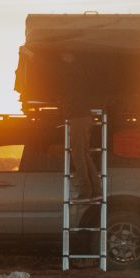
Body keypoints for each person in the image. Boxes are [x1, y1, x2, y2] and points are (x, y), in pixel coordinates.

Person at [60, 52, 101, 201]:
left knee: (78, 154)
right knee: (84, 154)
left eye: (64, 55)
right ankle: (96, 189)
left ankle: (86, 191)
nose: (62, 57)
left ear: (71, 56)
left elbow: (70, 97)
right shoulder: (81, 73)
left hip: (78, 117)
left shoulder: (72, 75)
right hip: (84, 117)